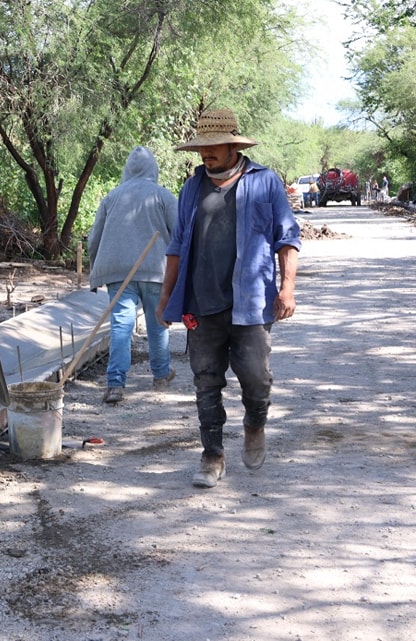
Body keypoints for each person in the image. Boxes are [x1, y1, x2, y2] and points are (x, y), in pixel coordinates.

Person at [157, 108, 301, 488]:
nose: (205, 154)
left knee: (256, 378)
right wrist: (166, 296)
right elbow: (177, 246)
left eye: (213, 147)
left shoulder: (265, 182)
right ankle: (212, 456)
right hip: (202, 304)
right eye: (201, 148)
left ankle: (255, 423)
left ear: (232, 145)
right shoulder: (191, 188)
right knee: (206, 382)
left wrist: (287, 288)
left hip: (251, 303)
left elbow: (287, 238)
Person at [87, 145, 177, 404]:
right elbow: (181, 234)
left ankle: (115, 385)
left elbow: (95, 238)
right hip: (156, 270)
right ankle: (160, 375)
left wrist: (95, 270)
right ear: (154, 169)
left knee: (121, 327)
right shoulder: (163, 196)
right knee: (158, 323)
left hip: (118, 273)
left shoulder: (112, 197)